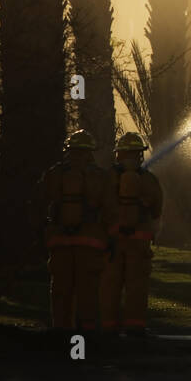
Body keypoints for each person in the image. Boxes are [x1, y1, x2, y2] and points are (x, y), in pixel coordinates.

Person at [40, 130, 108, 332]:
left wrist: (44, 230)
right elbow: (110, 209)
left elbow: (40, 200)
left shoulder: (55, 173)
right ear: (90, 152)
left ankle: (61, 331)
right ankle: (87, 333)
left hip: (59, 241)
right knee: (87, 290)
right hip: (90, 242)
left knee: (61, 289)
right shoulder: (100, 177)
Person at [100, 132, 163, 336]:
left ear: (118, 154)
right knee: (137, 285)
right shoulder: (149, 179)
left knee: (110, 285)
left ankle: (108, 326)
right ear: (140, 155)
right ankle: (135, 326)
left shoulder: (107, 177)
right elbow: (156, 209)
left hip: (114, 241)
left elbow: (98, 206)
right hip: (140, 241)